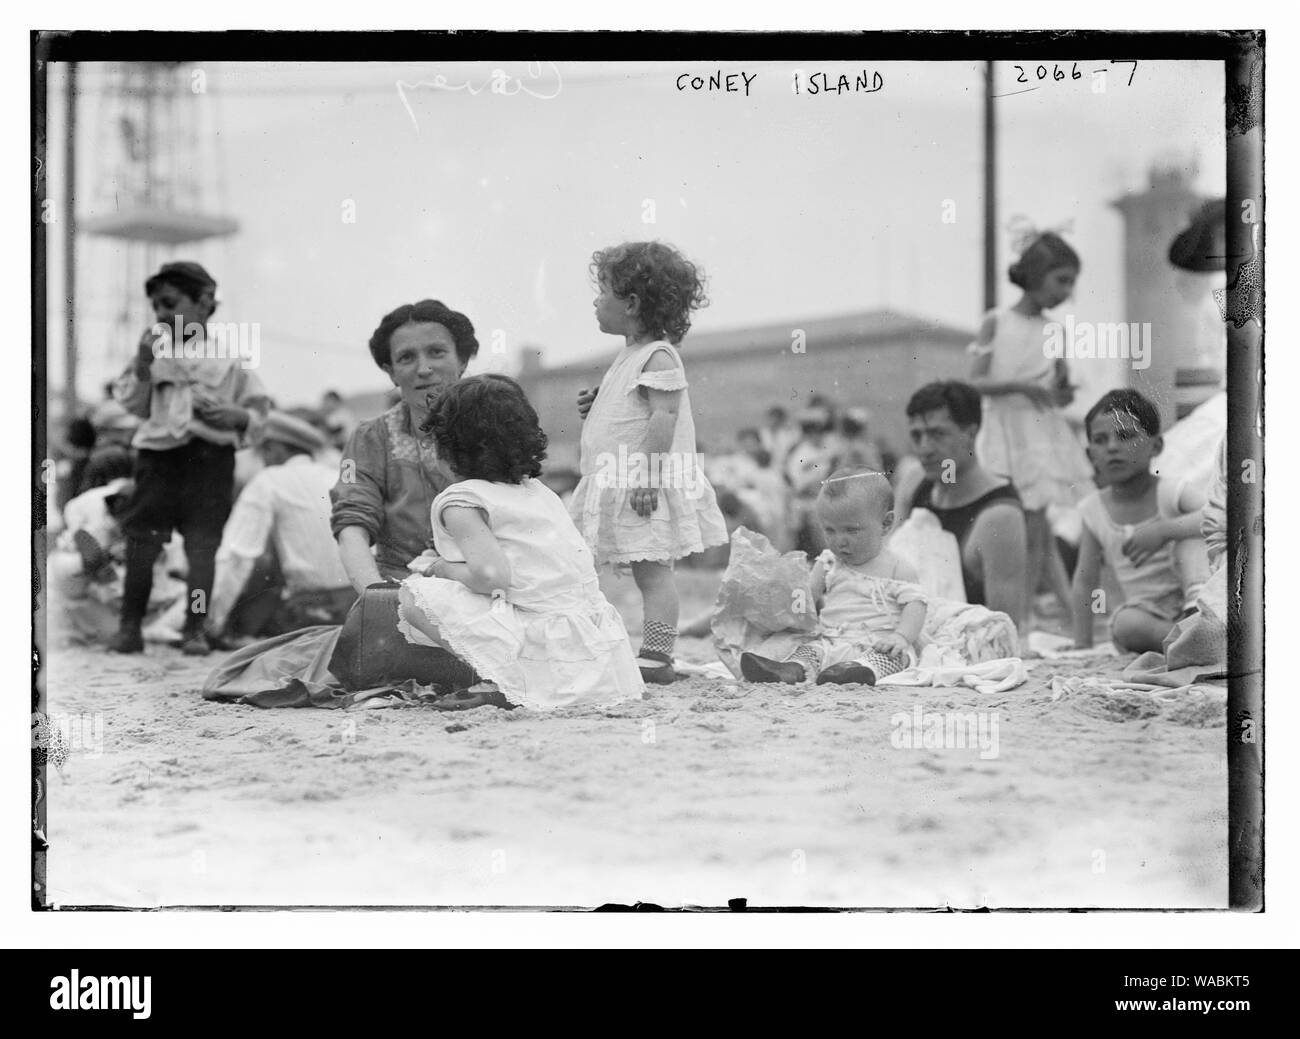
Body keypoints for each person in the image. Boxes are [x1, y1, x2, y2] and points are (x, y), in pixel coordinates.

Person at [397, 375, 643, 710]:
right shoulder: (536, 491)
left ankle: (502, 681)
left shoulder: (462, 500)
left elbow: (491, 577)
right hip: (594, 649)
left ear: (446, 448)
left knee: (414, 595)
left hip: (544, 649)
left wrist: (439, 567)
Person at [571, 241, 728, 684]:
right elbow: (632, 408)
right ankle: (610, 643)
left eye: (603, 292)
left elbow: (664, 415)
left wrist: (650, 475)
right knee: (629, 568)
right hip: (617, 477)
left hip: (641, 482)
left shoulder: (658, 355)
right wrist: (597, 402)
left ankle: (658, 655)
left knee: (653, 571)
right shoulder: (628, 357)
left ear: (632, 302)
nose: (597, 302)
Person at [107, 261, 270, 656]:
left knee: (202, 548)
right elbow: (136, 404)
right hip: (158, 458)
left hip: (209, 461)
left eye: (170, 303)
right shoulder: (152, 353)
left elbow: (259, 412)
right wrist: (144, 364)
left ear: (204, 302)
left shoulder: (230, 359)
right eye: (156, 307)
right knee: (141, 544)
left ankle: (194, 627)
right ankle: (130, 627)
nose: (162, 315)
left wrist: (240, 416)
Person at [969, 232, 1092, 620]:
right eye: (1061, 280)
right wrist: (1020, 386)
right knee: (1018, 527)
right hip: (1005, 429)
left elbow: (1059, 396)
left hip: (1040, 432)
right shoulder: (996, 322)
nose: (1066, 291)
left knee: (1038, 528)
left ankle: (1028, 620)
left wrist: (1061, 388)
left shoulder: (1055, 331)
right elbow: (975, 380)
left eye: (1072, 282)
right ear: (1037, 274)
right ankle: (1029, 616)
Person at [739, 468, 927, 686]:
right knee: (809, 650)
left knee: (892, 657)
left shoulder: (897, 568)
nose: (840, 540)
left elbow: (916, 606)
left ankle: (861, 671)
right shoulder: (829, 562)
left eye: (851, 530)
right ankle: (791, 669)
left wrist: (901, 637)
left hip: (879, 642)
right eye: (830, 530)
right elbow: (807, 596)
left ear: (885, 524)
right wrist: (787, 611)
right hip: (832, 639)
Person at [1071, 390, 1210, 653]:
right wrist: (1082, 644)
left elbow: (1221, 512)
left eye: (1125, 436)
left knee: (1190, 536)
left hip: (1199, 601)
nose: (1112, 447)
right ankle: (1189, 644)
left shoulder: (1170, 492)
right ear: (1091, 455)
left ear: (1156, 446)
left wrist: (1163, 530)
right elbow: (1084, 580)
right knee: (1125, 624)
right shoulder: (1093, 509)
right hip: (1151, 617)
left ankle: (1197, 622)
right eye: (1100, 440)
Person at [207, 411, 356, 640]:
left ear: (275, 449)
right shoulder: (336, 476)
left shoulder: (269, 480)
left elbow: (237, 557)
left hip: (310, 610)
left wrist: (212, 622)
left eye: (263, 452)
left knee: (259, 564)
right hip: (355, 608)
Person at [897, 381, 1028, 636]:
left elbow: (1004, 628)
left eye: (937, 434)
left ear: (970, 433)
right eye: (917, 435)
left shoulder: (999, 514)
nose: (924, 448)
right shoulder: (914, 483)